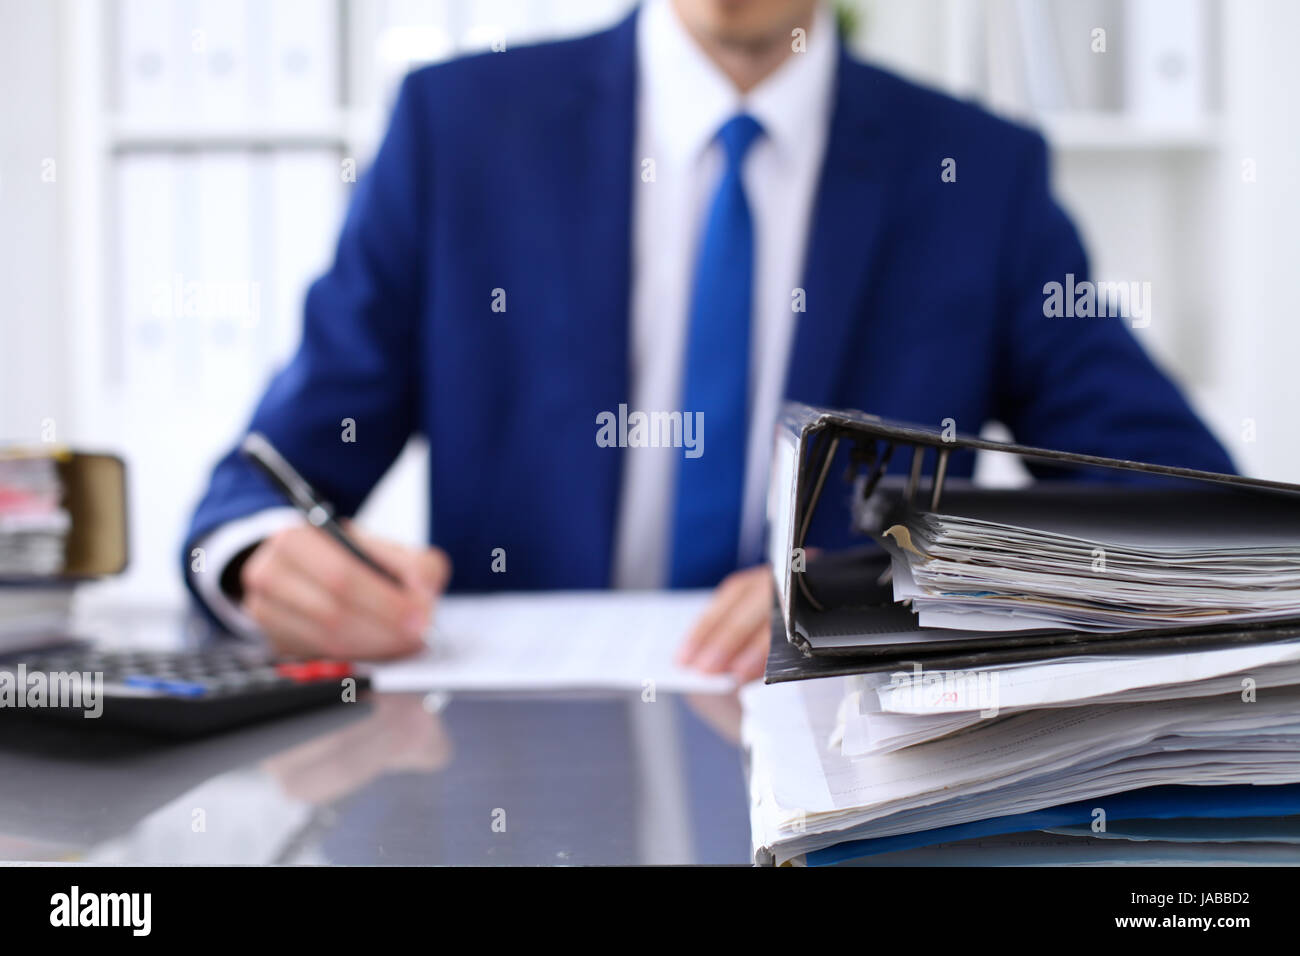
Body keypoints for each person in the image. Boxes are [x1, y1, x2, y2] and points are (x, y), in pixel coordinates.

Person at [184, 0, 1233, 681]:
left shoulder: (977, 175)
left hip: (850, 765)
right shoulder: (457, 131)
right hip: (506, 767)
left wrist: (903, 579)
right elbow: (256, 487)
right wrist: (259, 565)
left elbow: (1193, 514)